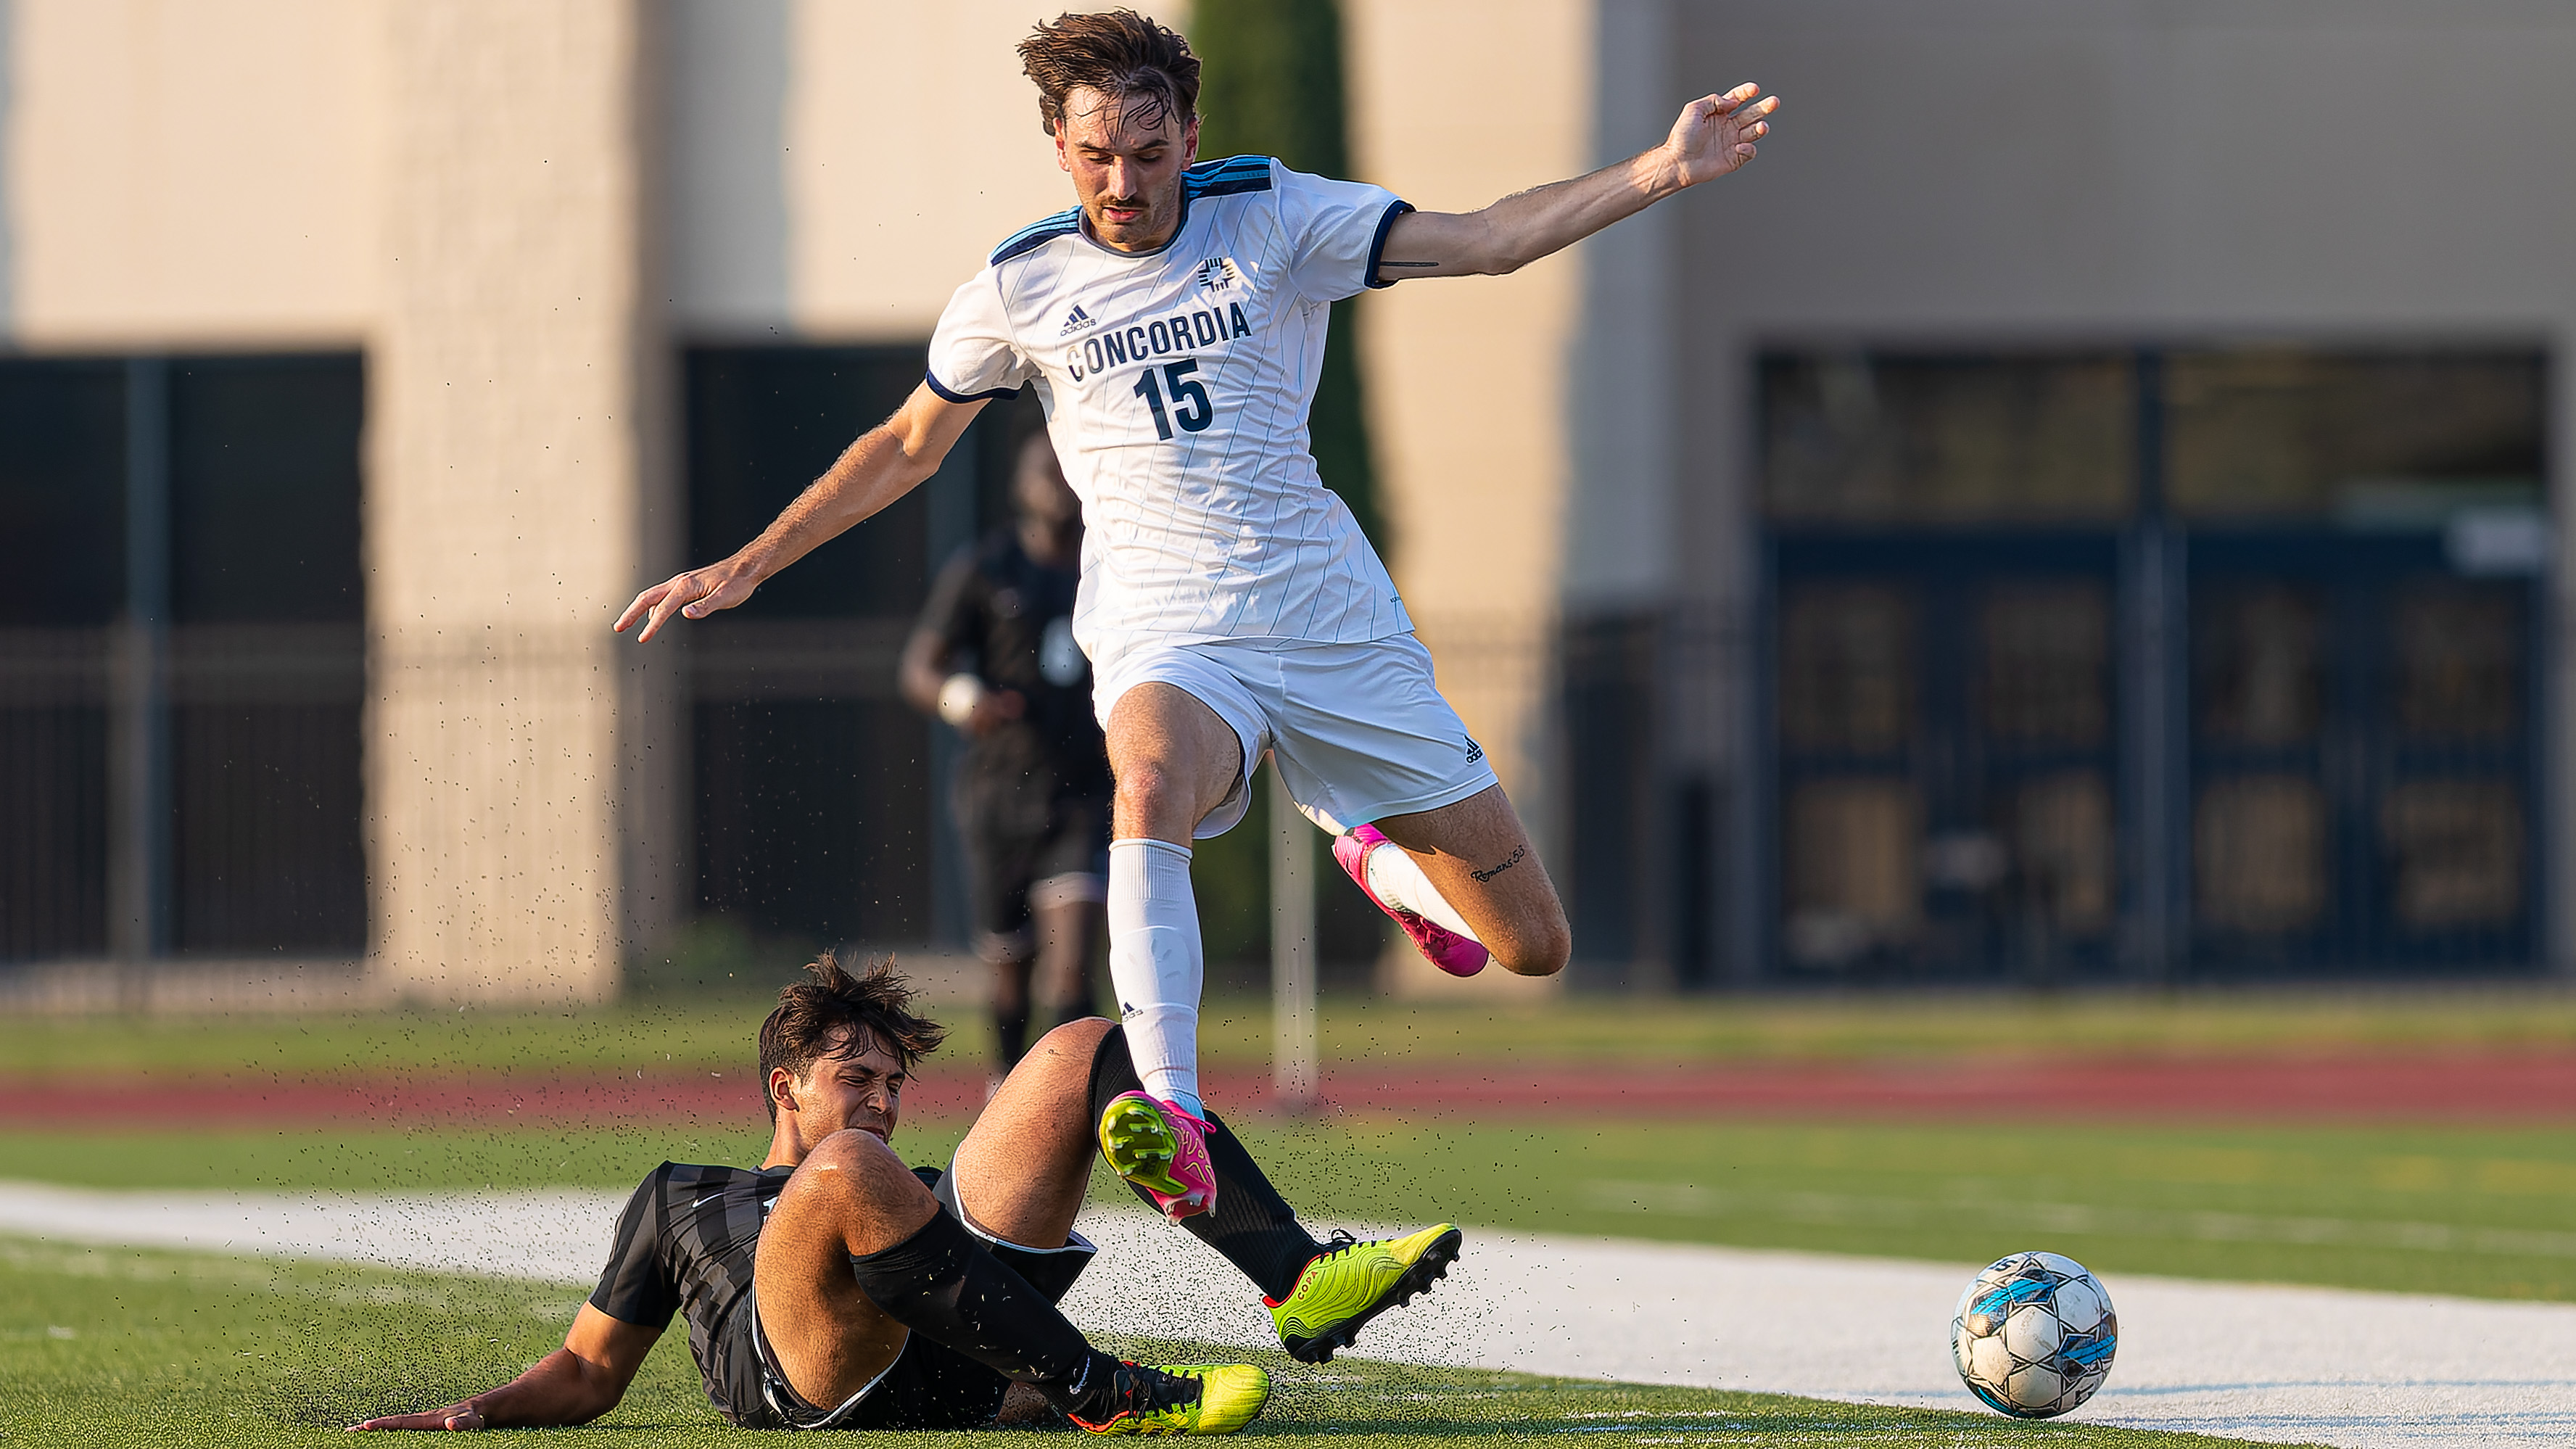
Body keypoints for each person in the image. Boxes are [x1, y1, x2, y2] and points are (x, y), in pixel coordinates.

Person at [616, 9, 1779, 1223]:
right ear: (1057, 147)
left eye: (1147, 151)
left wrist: (1660, 167)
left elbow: (1485, 240)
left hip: (1332, 624)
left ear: (1188, 136)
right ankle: (1170, 1106)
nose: (1124, 182)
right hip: (1167, 630)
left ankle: (1373, 853)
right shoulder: (1018, 286)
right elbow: (906, 445)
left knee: (1532, 946)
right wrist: (752, 560)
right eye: (1096, 155)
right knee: (1147, 778)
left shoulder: (1274, 214)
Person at [349, 957, 1460, 1437]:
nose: (882, 1097)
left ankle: (1296, 1273)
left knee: (1082, 1047)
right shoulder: (679, 1192)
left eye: (893, 1081)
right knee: (846, 1174)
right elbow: (593, 1371)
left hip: (945, 1352)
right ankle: (1102, 1385)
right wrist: (483, 1408)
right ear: (784, 1084)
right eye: (854, 1078)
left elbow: (886, 1172)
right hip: (807, 1377)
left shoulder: (903, 1184)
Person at [900, 428, 1110, 1081]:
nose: (1055, 481)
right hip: (997, 797)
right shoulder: (987, 568)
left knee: (1071, 962)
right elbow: (918, 667)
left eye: (1064, 468)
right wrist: (962, 700)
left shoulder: (1112, 568)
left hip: (1081, 792)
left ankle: (1071, 1104)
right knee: (1008, 972)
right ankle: (1004, 1091)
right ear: (1018, 484)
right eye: (1041, 469)